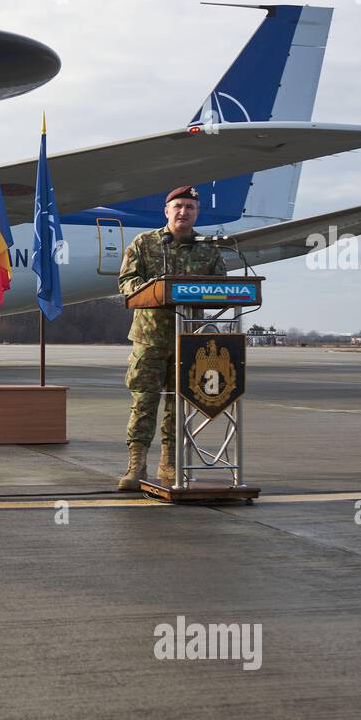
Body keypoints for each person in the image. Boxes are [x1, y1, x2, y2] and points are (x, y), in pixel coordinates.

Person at [117, 185, 228, 491]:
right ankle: (136, 465)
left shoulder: (208, 249)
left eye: (190, 207)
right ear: (166, 211)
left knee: (179, 405)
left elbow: (222, 287)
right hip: (150, 339)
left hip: (188, 340)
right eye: (178, 206)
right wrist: (154, 288)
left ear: (197, 213)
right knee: (144, 403)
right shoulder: (145, 243)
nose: (183, 212)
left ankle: (170, 464)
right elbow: (127, 282)